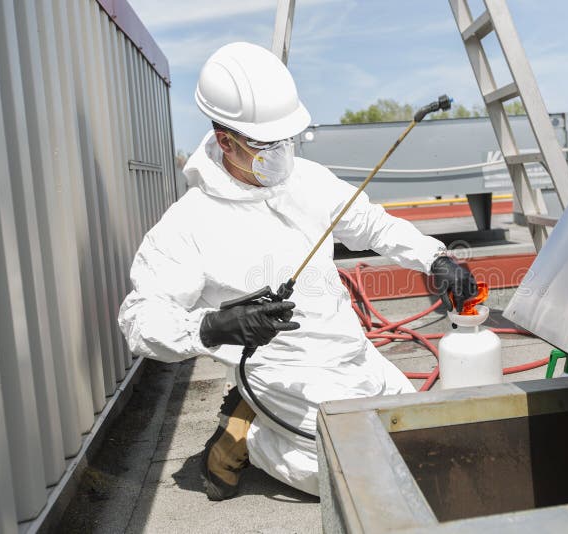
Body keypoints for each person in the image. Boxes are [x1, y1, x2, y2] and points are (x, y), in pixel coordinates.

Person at [118, 42, 477, 500]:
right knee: (362, 479)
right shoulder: (189, 224)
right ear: (226, 141)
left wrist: (434, 257)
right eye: (267, 144)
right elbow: (139, 321)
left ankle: (264, 421)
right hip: (278, 368)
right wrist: (212, 327)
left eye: (288, 139)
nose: (282, 153)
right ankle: (248, 434)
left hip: (350, 351)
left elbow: (370, 223)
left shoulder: (306, 179)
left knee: (423, 445)